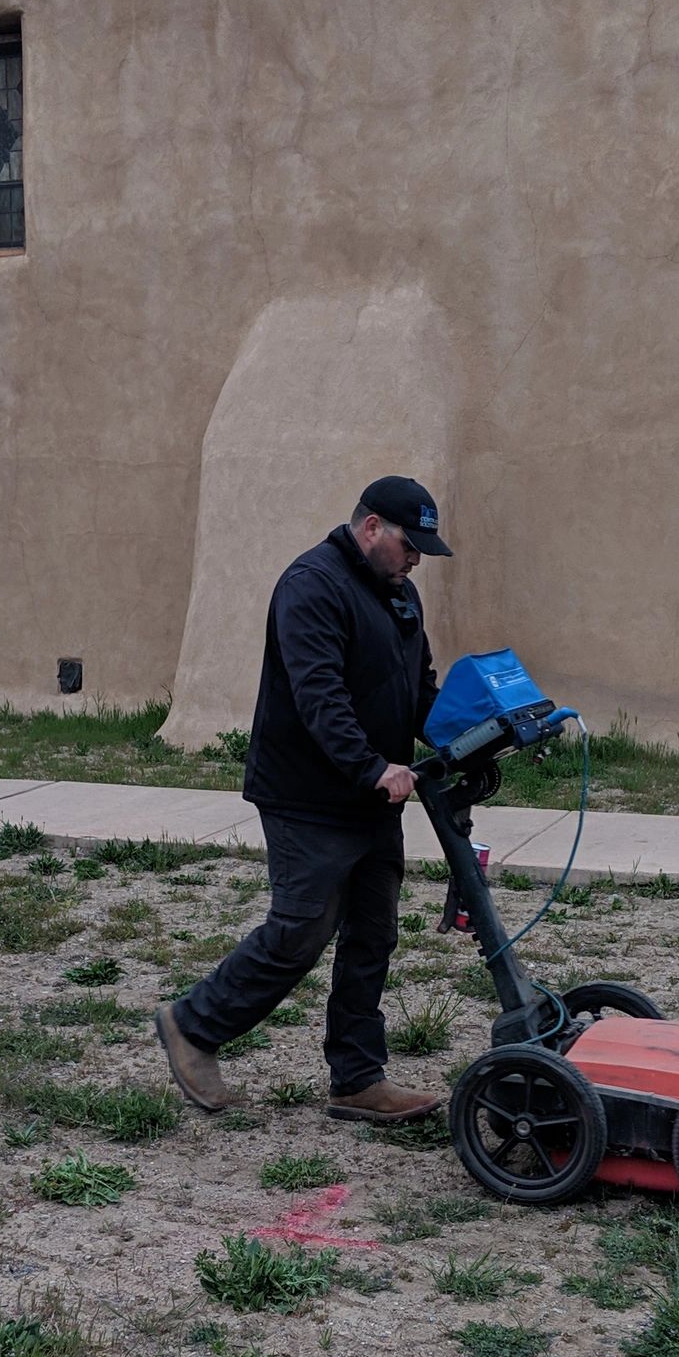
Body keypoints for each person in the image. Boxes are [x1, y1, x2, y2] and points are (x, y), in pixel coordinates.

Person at [156, 476, 452, 1122]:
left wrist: (471, 730)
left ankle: (356, 1078)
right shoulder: (311, 587)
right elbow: (320, 699)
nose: (416, 560)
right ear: (371, 528)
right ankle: (191, 1025)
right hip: (308, 798)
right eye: (409, 544)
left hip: (375, 799)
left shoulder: (400, 598)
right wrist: (373, 767)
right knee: (301, 930)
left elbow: (419, 692)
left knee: (374, 932)